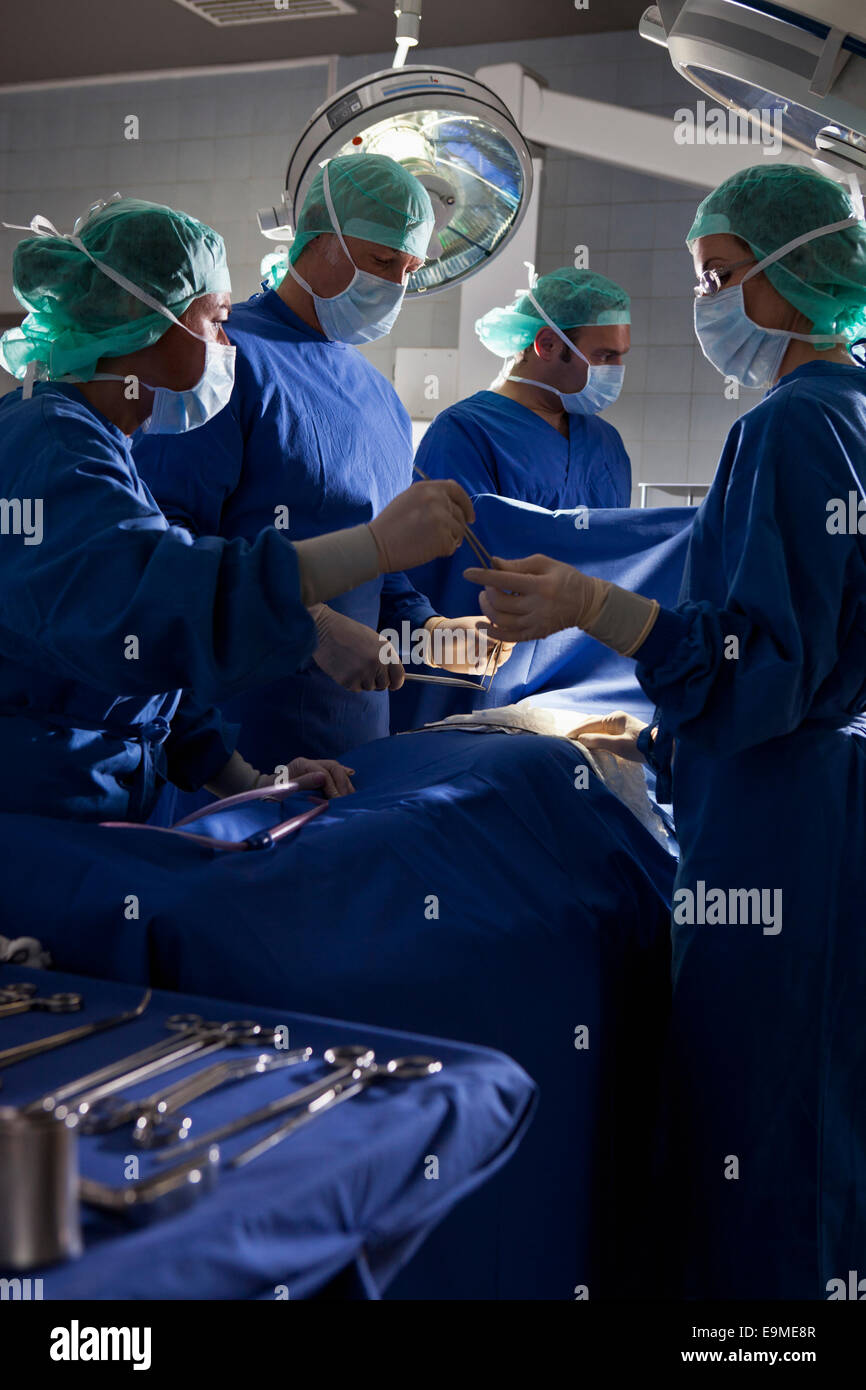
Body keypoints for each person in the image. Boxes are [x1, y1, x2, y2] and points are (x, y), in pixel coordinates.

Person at [463, 163, 866, 1299]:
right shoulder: (851, 409)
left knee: (766, 1129)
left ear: (796, 278)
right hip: (825, 806)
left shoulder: (790, 426)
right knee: (822, 1116)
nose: (706, 304)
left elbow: (761, 669)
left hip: (782, 819)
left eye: (721, 277)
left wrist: (598, 609)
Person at [0, 195, 474, 822]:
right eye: (217, 319)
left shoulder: (104, 443)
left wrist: (257, 780)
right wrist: (369, 554)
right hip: (37, 810)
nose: (228, 343)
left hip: (101, 803)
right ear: (151, 321)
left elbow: (156, 681)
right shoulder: (50, 444)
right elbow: (163, 600)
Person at [135, 154, 509, 770]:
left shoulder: (380, 398)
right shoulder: (222, 361)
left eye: (410, 270)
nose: (395, 285)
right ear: (317, 239)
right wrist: (311, 629)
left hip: (356, 744)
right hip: (231, 744)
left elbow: (381, 578)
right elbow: (169, 545)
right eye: (383, 261)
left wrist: (436, 638)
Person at [413, 268, 632, 510]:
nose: (618, 369)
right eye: (605, 356)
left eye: (621, 356)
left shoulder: (605, 441)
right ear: (547, 345)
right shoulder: (465, 433)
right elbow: (452, 542)